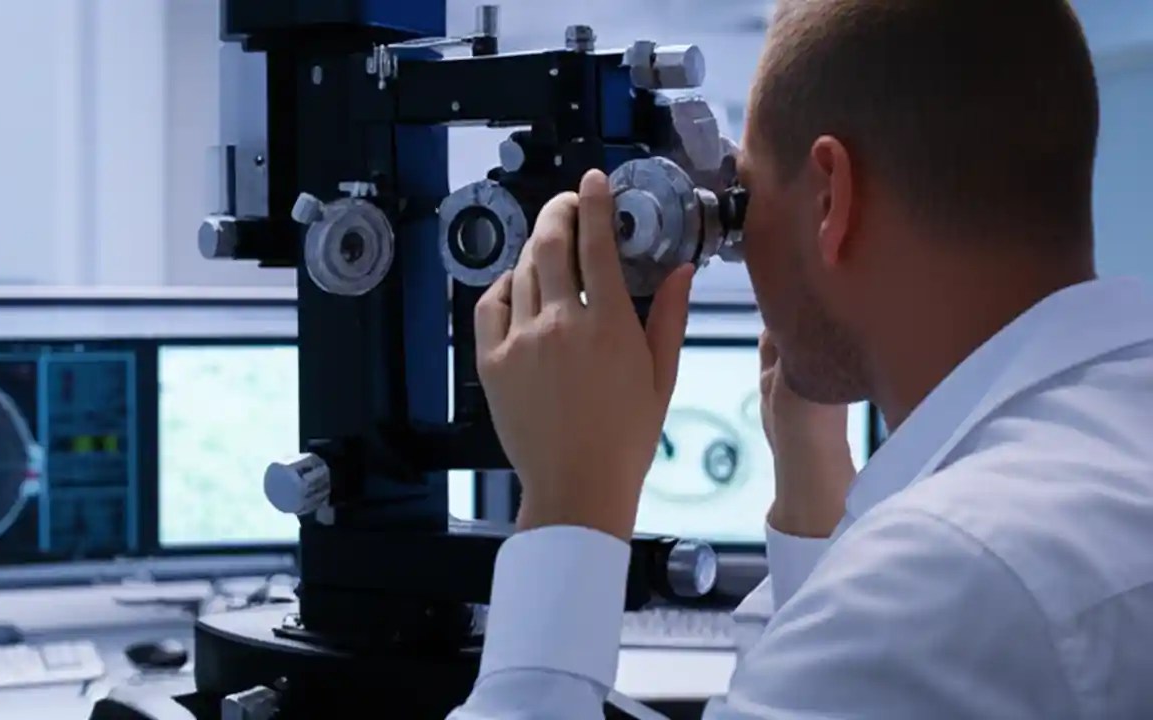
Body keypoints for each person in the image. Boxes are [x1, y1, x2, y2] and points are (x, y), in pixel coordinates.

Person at [449, 0, 1153, 718]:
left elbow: (872, 645)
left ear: (829, 199)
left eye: (742, 202)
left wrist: (572, 504)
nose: (739, 242)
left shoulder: (937, 585)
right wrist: (816, 493)